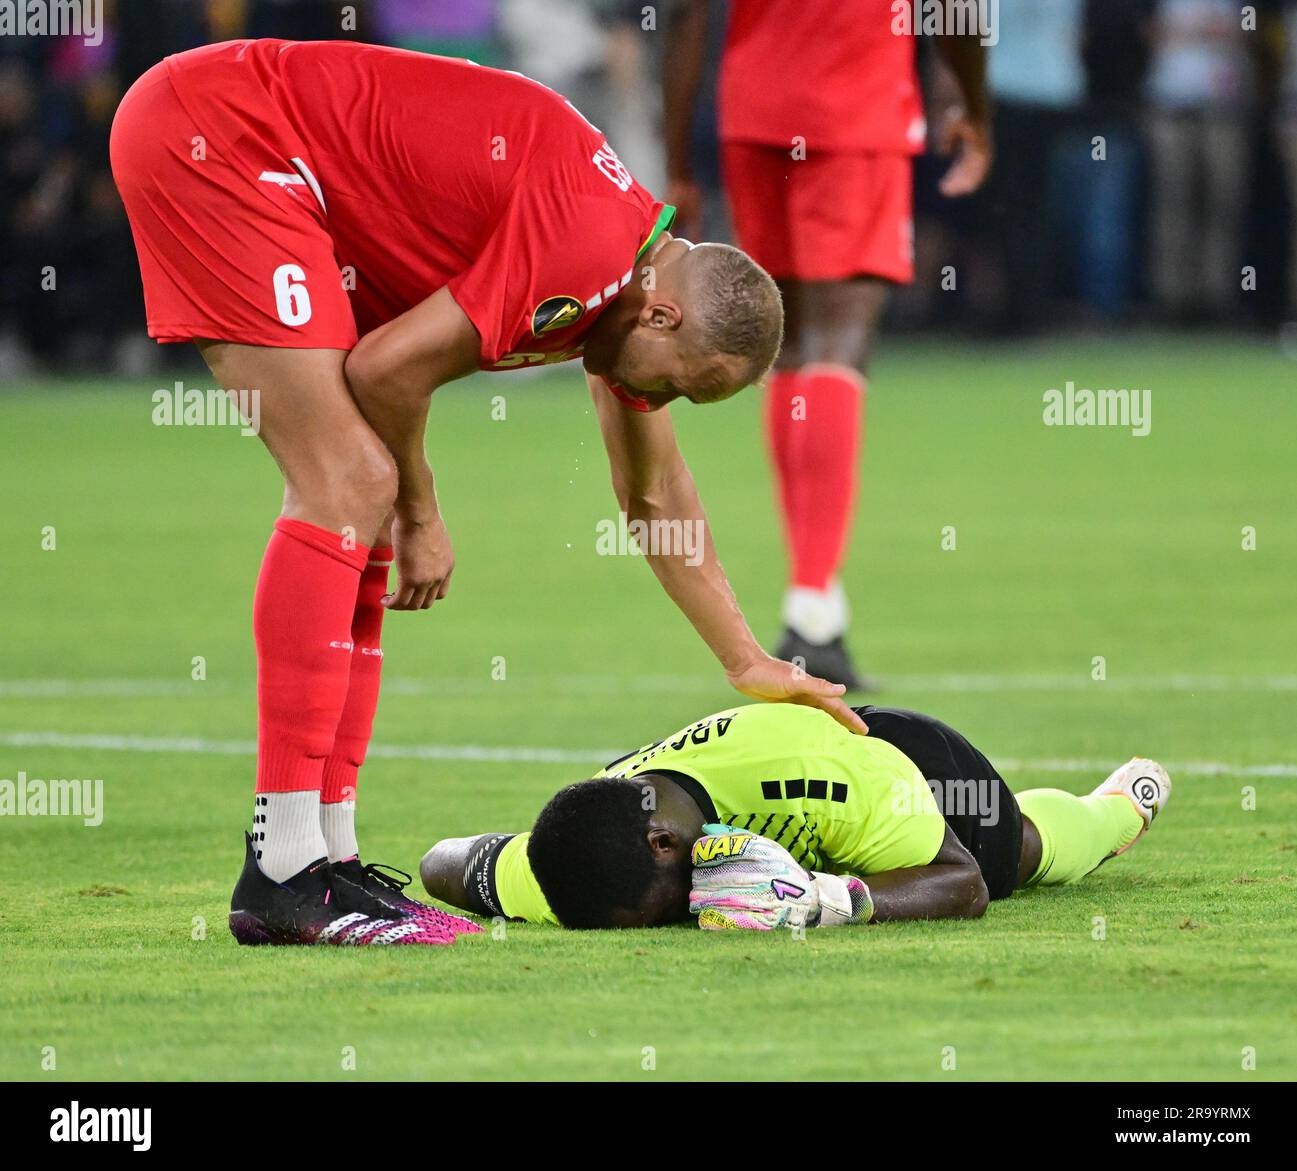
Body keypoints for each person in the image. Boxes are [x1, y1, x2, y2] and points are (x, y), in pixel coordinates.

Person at [110, 38, 865, 948]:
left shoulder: (627, 285)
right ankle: (281, 872)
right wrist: (424, 514)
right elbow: (386, 370)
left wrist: (746, 659)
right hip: (222, 135)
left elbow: (657, 492)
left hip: (265, 151)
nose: (660, 403)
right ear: (664, 314)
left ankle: (329, 858)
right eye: (679, 385)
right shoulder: (588, 254)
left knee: (362, 494)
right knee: (352, 483)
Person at [664, 0, 992, 687]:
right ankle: (813, 610)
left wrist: (676, 159)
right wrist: (974, 104)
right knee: (839, 344)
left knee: (785, 347)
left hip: (753, 110)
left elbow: (685, 13)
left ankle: (816, 601)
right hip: (853, 109)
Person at [420, 703, 1171, 929]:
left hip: (900, 758)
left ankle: (1109, 812)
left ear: (664, 839)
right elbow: (443, 862)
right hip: (815, 789)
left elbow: (962, 882)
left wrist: (833, 900)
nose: (691, 916)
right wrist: (481, 876)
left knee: (1020, 859)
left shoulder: (829, 779)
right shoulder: (584, 857)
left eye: (674, 905)